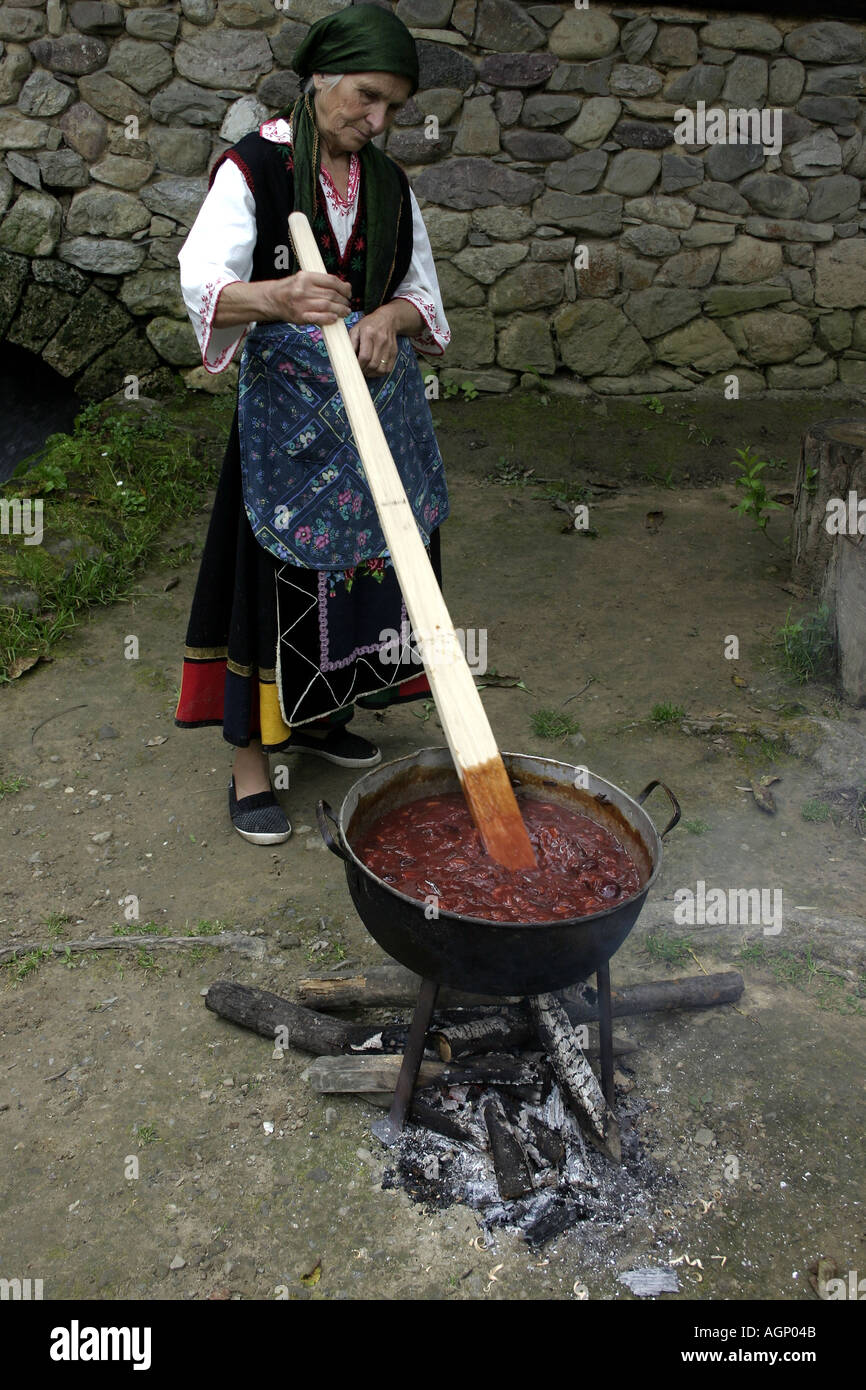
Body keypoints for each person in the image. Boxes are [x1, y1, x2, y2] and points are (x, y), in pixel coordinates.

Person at [174, 4, 451, 845]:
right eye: (366, 98)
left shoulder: (391, 186)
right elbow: (203, 286)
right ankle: (251, 767)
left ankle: (323, 717)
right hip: (285, 430)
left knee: (365, 573)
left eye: (393, 109)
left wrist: (388, 321)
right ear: (321, 79)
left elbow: (424, 296)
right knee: (275, 582)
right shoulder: (254, 167)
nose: (377, 121)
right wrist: (282, 296)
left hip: (375, 419)